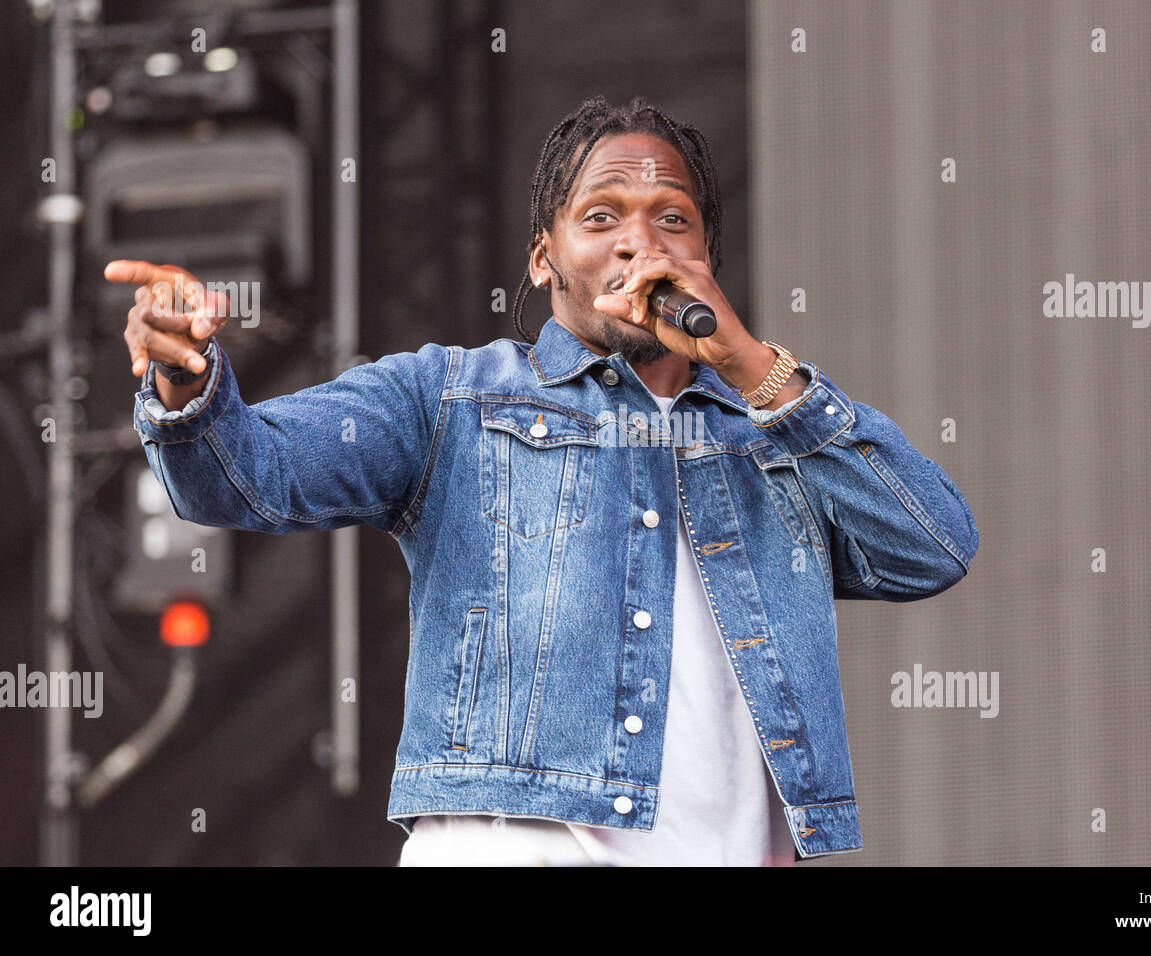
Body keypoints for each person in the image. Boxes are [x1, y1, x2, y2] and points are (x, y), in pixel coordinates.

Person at [108, 95, 979, 866]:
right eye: (601, 217)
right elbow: (247, 477)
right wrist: (187, 379)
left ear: (708, 250)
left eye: (672, 219)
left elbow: (931, 546)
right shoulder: (449, 397)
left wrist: (752, 366)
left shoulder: (769, 431)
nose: (640, 241)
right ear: (543, 259)